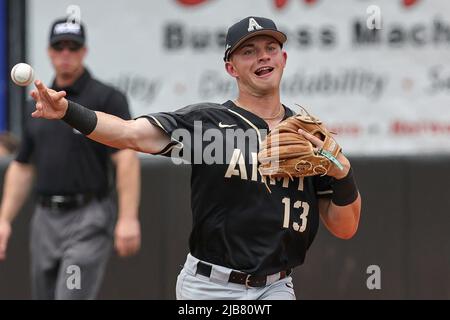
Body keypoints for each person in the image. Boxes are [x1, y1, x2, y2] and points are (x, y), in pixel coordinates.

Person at [27, 16, 361, 300]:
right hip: (209, 287)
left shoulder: (307, 137)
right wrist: (68, 111)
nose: (263, 57)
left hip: (276, 287)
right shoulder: (207, 125)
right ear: (231, 67)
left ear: (284, 59)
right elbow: (129, 133)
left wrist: (343, 175)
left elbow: (345, 227)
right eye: (249, 51)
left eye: (270, 48)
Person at [0, 18, 141, 300]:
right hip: (44, 220)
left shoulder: (106, 98)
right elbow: (23, 165)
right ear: (49, 52)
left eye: (72, 47)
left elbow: (125, 158)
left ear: (83, 52)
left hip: (88, 216)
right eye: (59, 47)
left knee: (71, 295)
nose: (66, 53)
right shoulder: (37, 104)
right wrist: (3, 219)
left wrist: (128, 218)